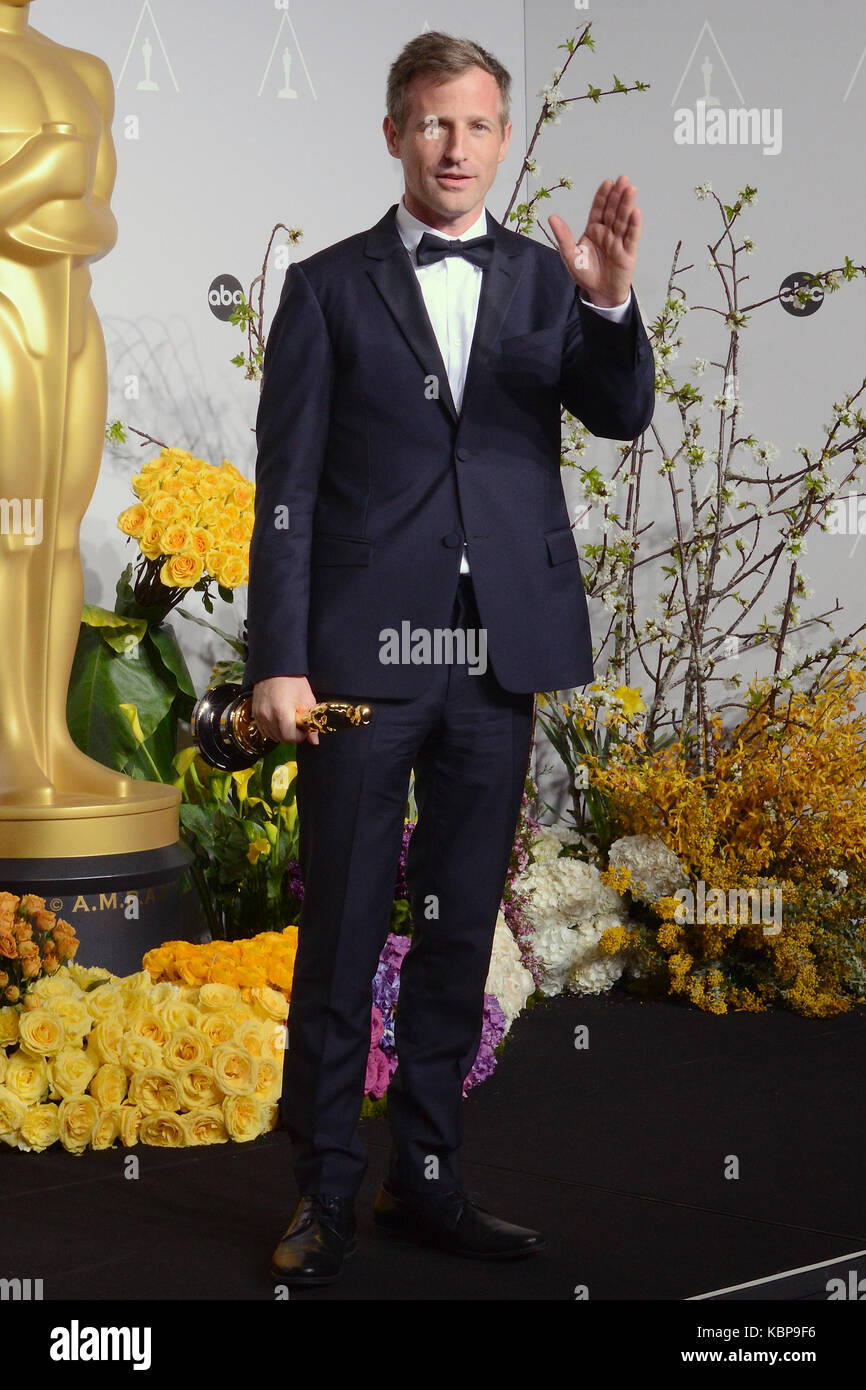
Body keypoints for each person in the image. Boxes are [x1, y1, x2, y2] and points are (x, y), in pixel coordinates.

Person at [245, 29, 655, 1288]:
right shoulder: (324, 288)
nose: (456, 147)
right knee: (343, 933)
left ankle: (427, 1180)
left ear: (503, 136)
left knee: (453, 928)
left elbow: (619, 411)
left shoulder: (545, 277)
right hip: (359, 667)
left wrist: (604, 301)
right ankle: (321, 1196)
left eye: (477, 125)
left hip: (496, 660)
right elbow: (288, 490)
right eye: (432, 124)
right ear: (392, 133)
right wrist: (277, 657)